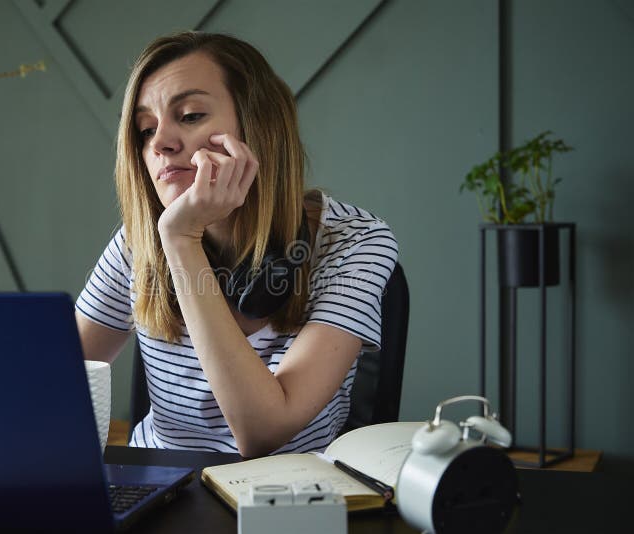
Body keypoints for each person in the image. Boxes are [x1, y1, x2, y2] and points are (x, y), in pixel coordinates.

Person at [75, 31, 397, 458]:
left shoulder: (355, 242)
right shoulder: (137, 241)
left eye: (189, 115)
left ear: (259, 126)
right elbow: (51, 383)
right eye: (146, 129)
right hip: (158, 485)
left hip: (285, 498)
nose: (160, 142)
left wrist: (182, 240)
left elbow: (263, 433)